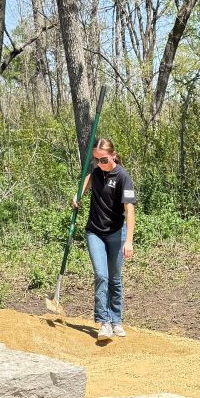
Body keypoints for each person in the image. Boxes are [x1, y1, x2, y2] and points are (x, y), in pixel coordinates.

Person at [72, 138, 135, 340]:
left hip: (117, 233)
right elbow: (88, 180)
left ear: (113, 155)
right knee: (101, 275)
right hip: (95, 232)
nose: (100, 164)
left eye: (104, 159)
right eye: (97, 160)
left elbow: (130, 210)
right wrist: (78, 195)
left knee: (115, 279)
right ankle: (104, 322)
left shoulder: (123, 176)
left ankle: (116, 320)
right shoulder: (97, 172)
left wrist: (129, 241)